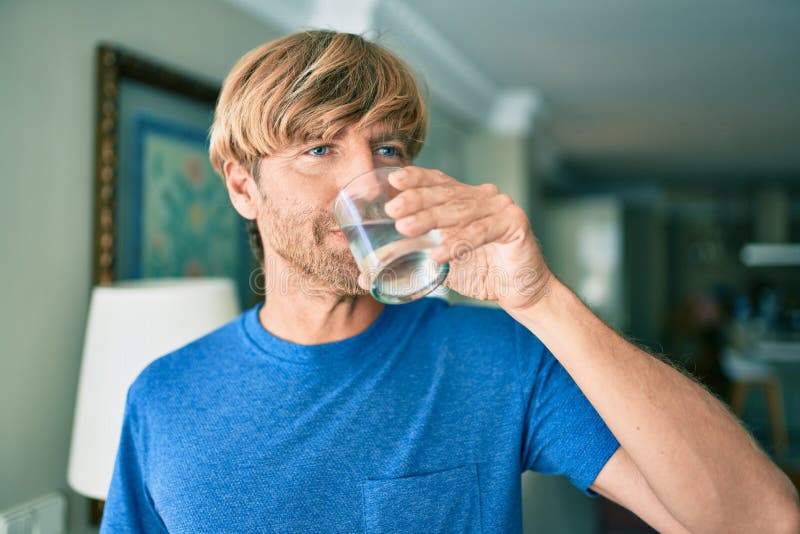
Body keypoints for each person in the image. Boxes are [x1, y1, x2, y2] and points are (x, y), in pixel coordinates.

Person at [101, 30, 799, 533]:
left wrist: (541, 300)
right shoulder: (163, 398)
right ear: (242, 187)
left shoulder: (500, 356)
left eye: (386, 149)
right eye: (319, 147)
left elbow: (761, 520)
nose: (362, 180)